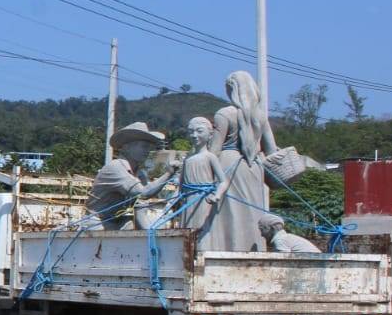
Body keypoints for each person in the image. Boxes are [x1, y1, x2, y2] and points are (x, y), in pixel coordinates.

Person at [207, 71, 277, 250]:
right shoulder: (260, 116)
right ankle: (254, 249)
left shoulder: (224, 114)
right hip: (253, 168)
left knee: (229, 213)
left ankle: (228, 249)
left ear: (232, 89)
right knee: (253, 212)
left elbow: (214, 150)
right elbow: (272, 150)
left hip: (227, 166)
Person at [86, 122, 175, 229]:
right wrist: (169, 173)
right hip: (97, 224)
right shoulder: (116, 167)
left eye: (148, 147)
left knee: (131, 226)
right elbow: (143, 193)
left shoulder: (140, 174)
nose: (147, 151)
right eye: (143, 147)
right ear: (127, 147)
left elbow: (140, 203)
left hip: (118, 222)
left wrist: (148, 233)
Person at [176, 117, 241, 251]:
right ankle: (188, 260)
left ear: (210, 134)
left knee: (202, 232)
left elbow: (223, 181)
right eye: (191, 132)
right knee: (187, 231)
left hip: (204, 200)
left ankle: (201, 257)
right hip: (188, 200)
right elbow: (181, 185)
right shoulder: (187, 159)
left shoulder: (210, 157)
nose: (194, 135)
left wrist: (216, 195)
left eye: (199, 131)